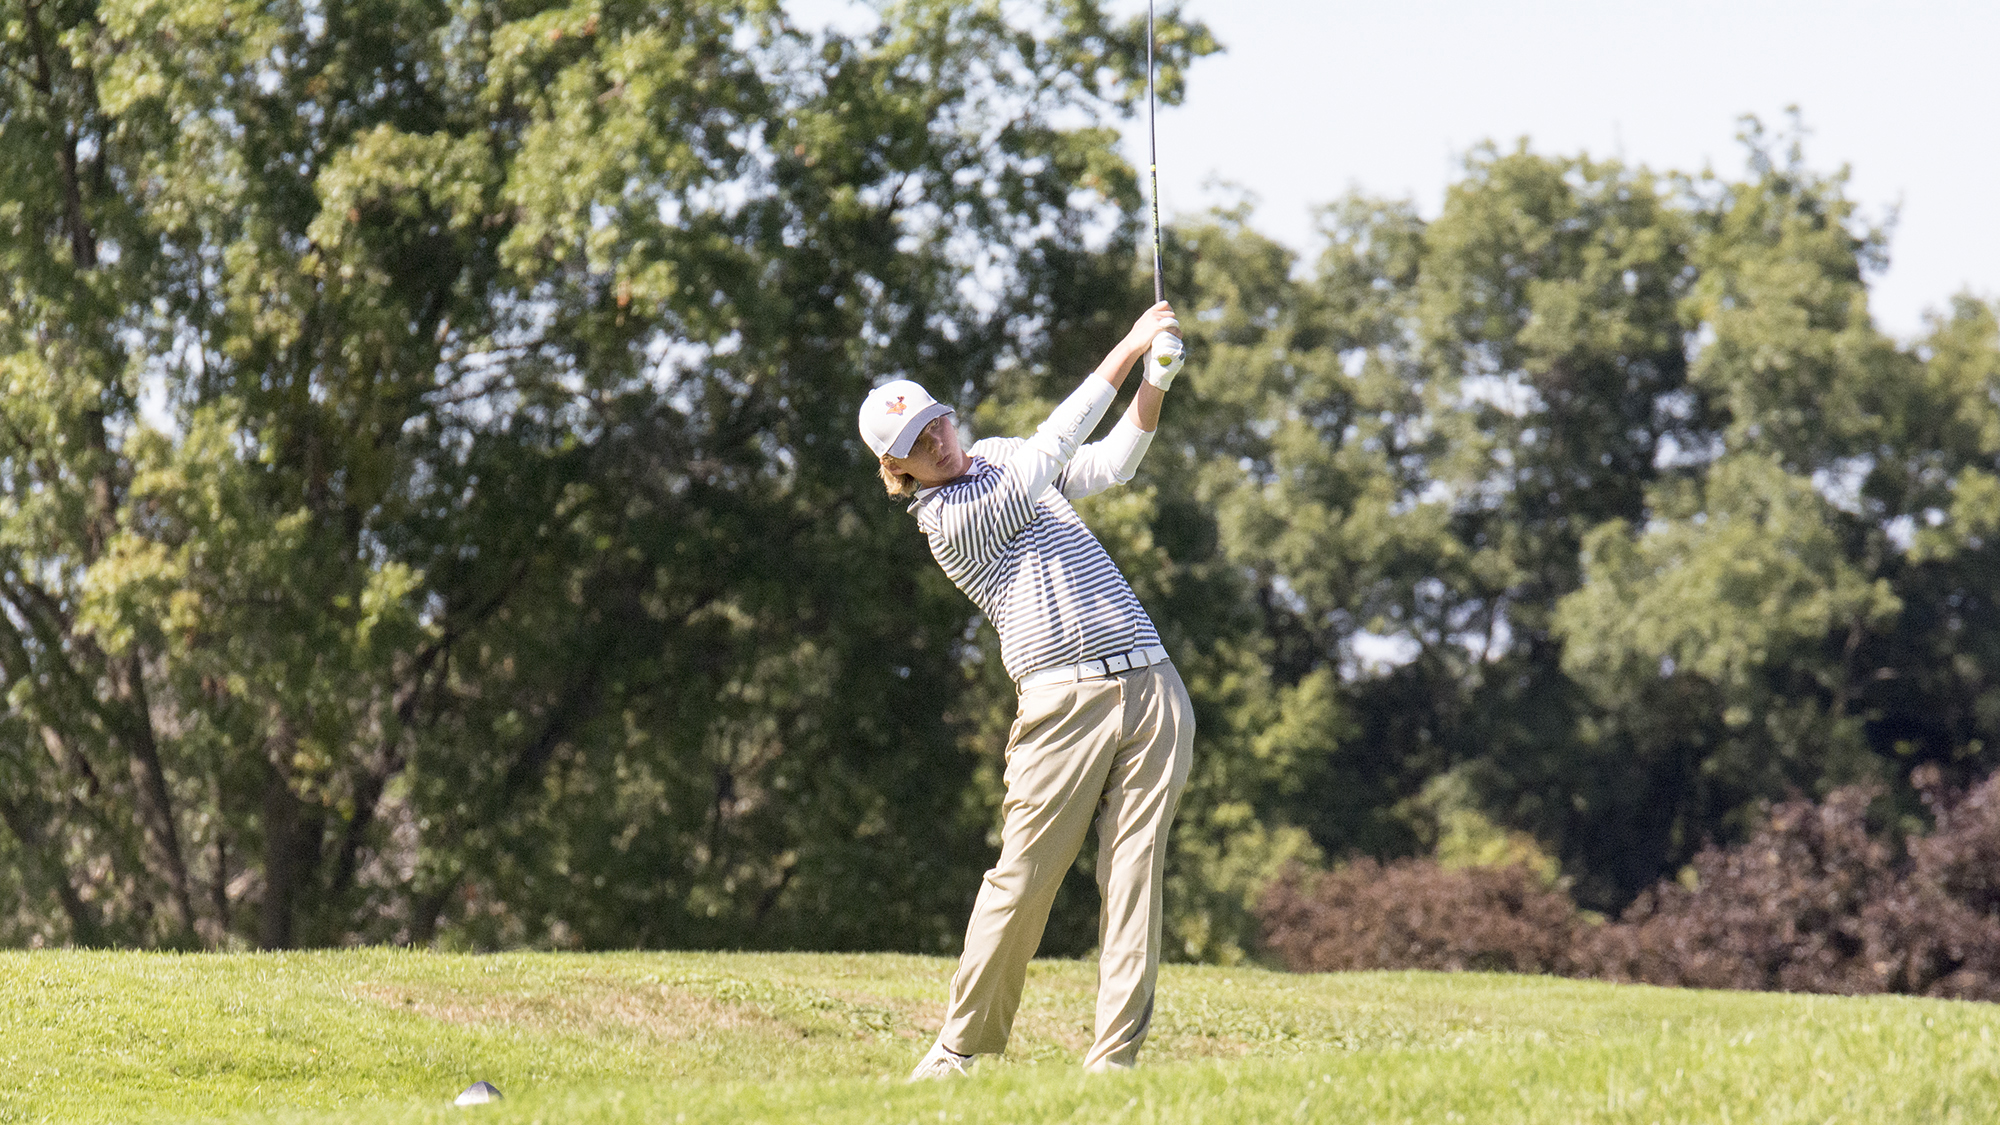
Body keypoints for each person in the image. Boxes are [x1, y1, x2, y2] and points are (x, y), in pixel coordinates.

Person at [857, 301, 1195, 1077]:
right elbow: (1053, 448)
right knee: (1022, 878)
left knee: (1135, 874)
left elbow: (1111, 464)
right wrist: (1128, 346)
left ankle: (1113, 1062)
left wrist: (1157, 378)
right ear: (897, 471)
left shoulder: (1000, 455)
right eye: (915, 445)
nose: (936, 442)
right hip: (1061, 704)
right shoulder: (948, 518)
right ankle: (958, 1048)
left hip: (1150, 682)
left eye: (934, 423)